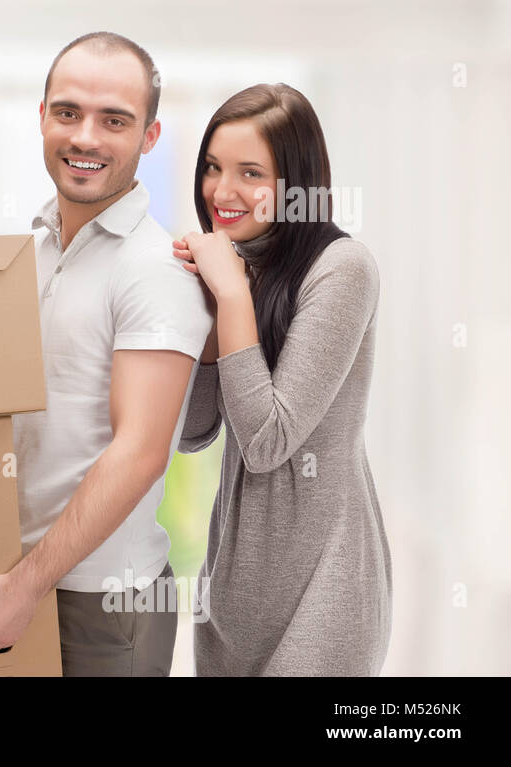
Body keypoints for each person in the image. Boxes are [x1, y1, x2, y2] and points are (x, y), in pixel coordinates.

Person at [0, 31, 213, 676]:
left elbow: (139, 452)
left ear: (149, 137)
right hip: (9, 581)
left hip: (99, 601)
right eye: (68, 112)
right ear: (41, 117)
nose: (85, 137)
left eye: (114, 120)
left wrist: (26, 585)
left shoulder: (154, 270)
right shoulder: (22, 260)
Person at [171, 83, 392, 675]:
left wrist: (233, 296)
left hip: (324, 595)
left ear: (297, 185)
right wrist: (218, 307)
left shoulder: (343, 269)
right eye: (213, 168)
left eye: (250, 173)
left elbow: (268, 442)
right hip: (228, 596)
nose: (222, 191)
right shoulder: (235, 266)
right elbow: (194, 432)